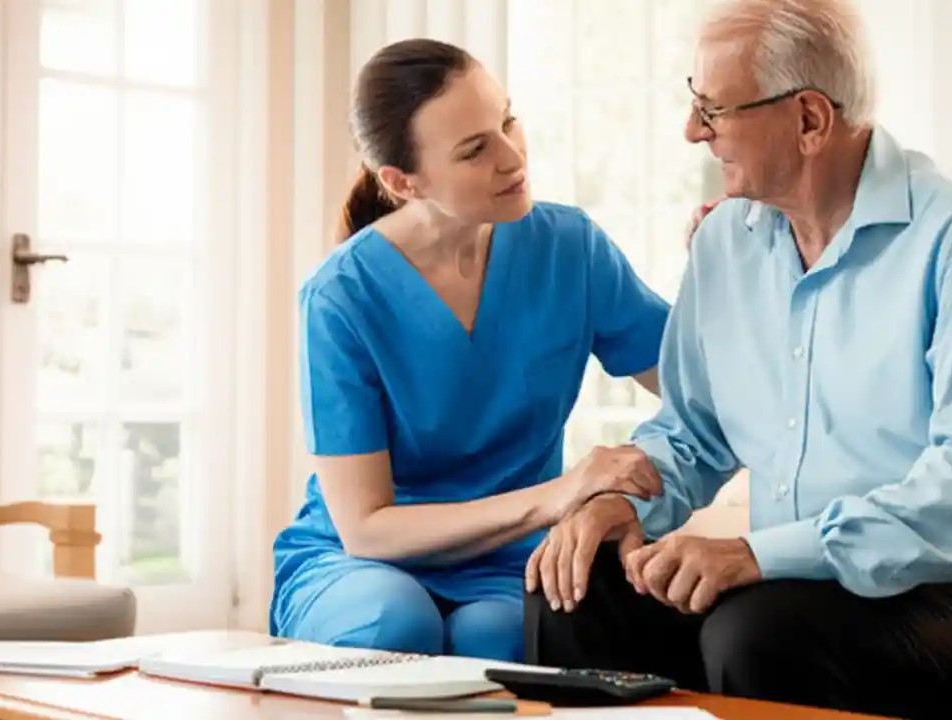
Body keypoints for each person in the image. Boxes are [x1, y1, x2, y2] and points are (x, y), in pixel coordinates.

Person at [524, 0, 952, 717]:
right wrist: (620, 502)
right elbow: (692, 435)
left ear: (810, 120)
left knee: (759, 633)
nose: (692, 130)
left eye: (713, 108)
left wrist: (759, 556)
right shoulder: (725, 244)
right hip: (803, 588)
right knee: (572, 587)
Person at [270, 38, 670, 663]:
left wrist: (739, 265)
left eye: (507, 120)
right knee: (394, 628)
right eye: (475, 149)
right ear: (404, 182)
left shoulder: (571, 249)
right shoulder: (340, 298)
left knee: (500, 641)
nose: (513, 157)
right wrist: (556, 495)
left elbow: (699, 384)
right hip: (358, 561)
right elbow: (366, 525)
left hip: (508, 559)